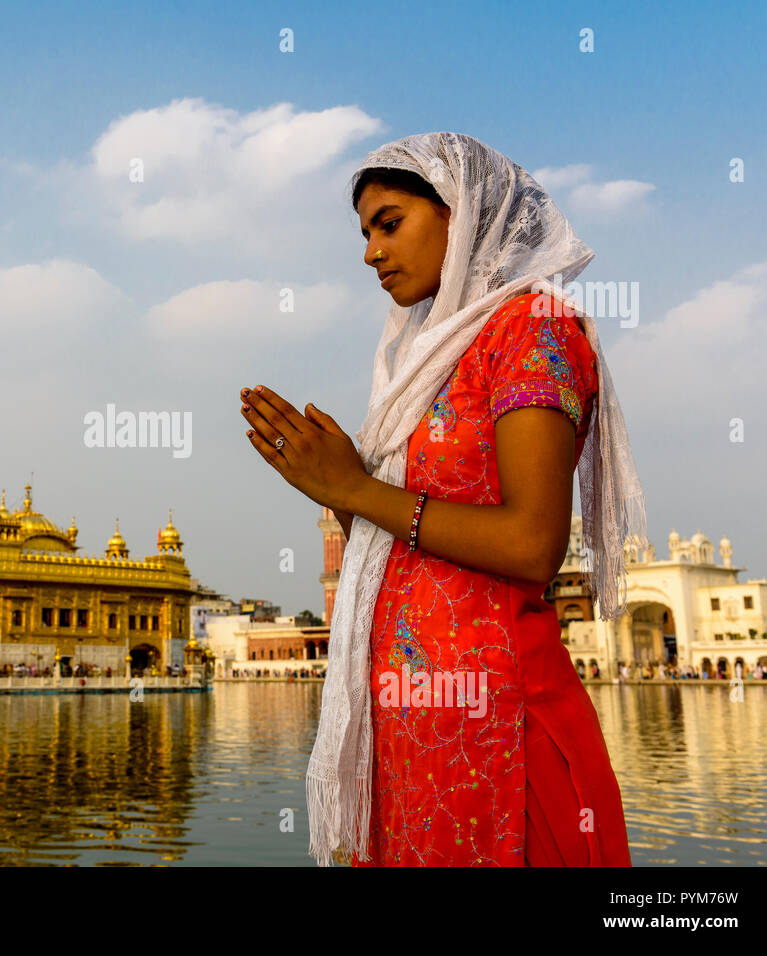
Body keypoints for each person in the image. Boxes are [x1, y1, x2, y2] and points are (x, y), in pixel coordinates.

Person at [241, 132, 642, 867]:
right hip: (414, 736)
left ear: (462, 213)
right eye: (364, 233)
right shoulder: (429, 363)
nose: (370, 253)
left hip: (500, 730)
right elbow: (408, 545)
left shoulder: (531, 329)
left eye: (389, 223)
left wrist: (355, 488)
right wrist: (337, 493)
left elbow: (531, 545)